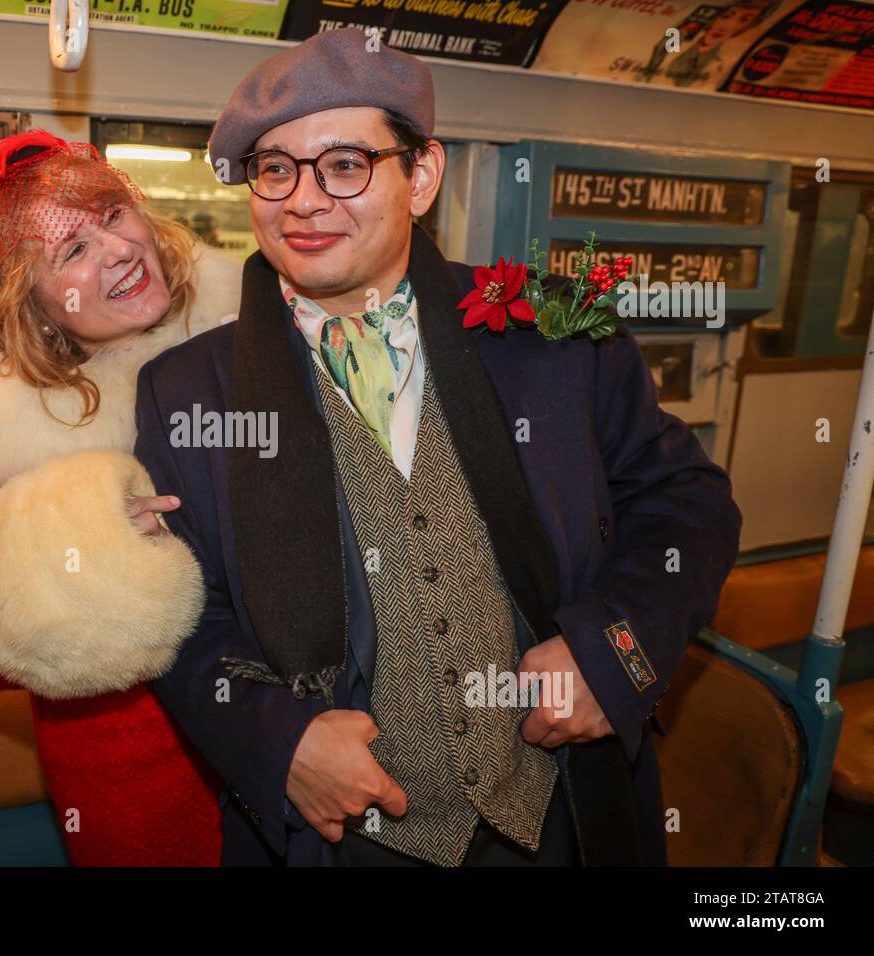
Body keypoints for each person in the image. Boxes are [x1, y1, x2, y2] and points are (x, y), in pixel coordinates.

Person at [133, 28, 742, 866]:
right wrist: (281, 744)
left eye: (345, 163)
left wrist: (614, 653)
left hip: (560, 812)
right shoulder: (186, 392)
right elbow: (173, 612)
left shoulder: (551, 334)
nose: (303, 201)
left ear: (420, 177)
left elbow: (687, 501)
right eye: (275, 168)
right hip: (343, 841)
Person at [0, 129, 242, 865]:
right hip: (145, 792)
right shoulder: (8, 440)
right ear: (33, 308)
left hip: (296, 751)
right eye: (71, 253)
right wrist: (70, 570)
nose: (118, 249)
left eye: (111, 215)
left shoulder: (250, 345)